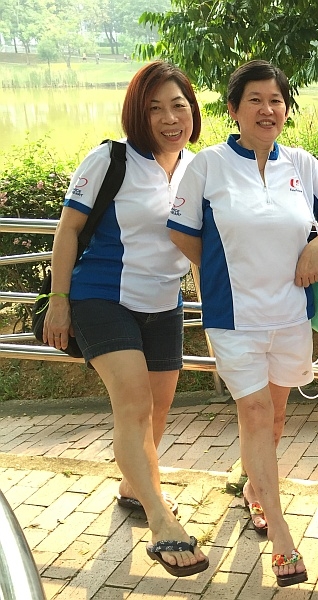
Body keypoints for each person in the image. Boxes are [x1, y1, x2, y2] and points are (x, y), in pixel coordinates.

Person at [167, 60, 318, 588]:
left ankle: (254, 490)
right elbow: (181, 232)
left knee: (273, 417)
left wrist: (317, 246)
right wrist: (225, 269)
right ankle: (282, 537)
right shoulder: (208, 165)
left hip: (291, 313)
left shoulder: (301, 163)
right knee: (253, 413)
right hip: (234, 318)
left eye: (276, 100)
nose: (267, 109)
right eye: (255, 100)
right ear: (233, 109)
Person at [43, 61, 207, 577]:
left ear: (192, 110)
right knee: (134, 402)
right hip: (101, 296)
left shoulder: (197, 167)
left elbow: (204, 247)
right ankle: (162, 521)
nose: (168, 117)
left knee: (157, 409)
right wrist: (59, 299)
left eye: (177, 105)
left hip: (164, 302)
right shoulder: (109, 159)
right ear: (138, 114)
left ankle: (133, 485)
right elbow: (68, 230)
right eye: (154, 108)